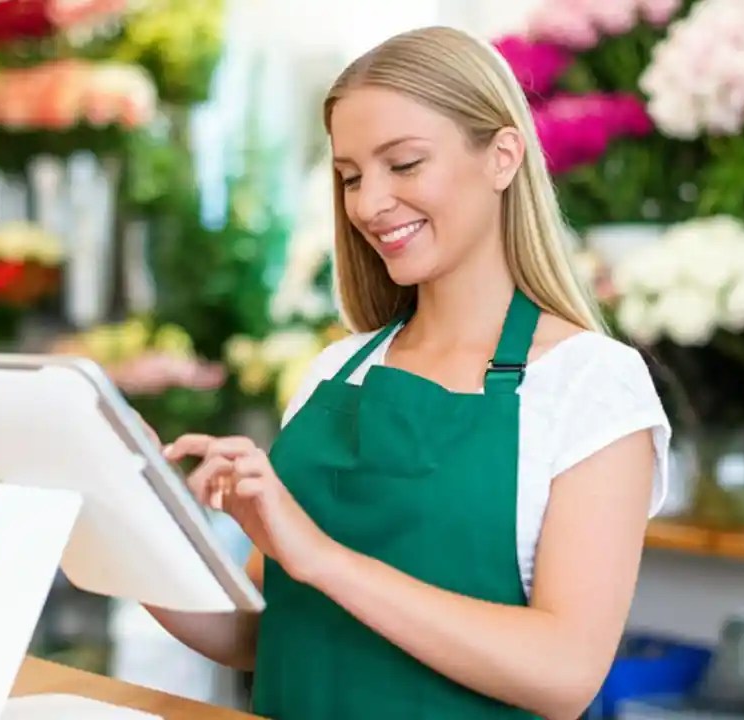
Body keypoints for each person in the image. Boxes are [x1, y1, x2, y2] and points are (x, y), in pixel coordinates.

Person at [144, 25, 671, 720]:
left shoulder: (590, 385)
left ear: (503, 156)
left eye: (404, 164)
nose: (367, 204)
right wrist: (131, 534)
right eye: (352, 176)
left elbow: (564, 672)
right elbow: (264, 632)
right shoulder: (338, 372)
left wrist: (321, 558)